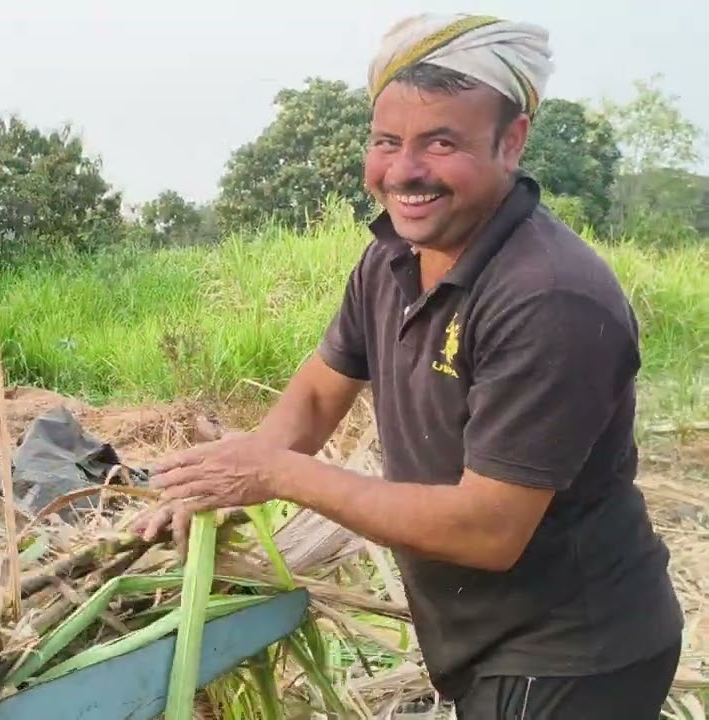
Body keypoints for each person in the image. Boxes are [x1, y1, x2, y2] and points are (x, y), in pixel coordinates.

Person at [135, 13, 683, 720]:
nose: (403, 172)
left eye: (441, 143)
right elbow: (315, 393)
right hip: (487, 641)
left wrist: (278, 474)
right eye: (386, 142)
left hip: (568, 655)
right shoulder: (392, 257)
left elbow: (488, 529)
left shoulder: (550, 298)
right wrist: (219, 483)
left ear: (510, 141)